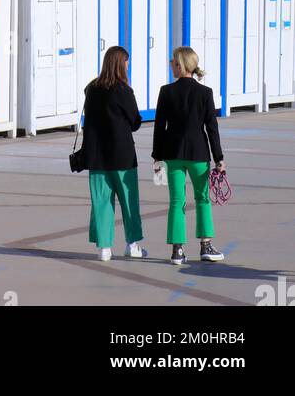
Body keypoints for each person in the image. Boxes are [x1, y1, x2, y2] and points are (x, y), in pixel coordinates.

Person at [152, 46, 226, 265]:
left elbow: (159, 126)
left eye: (173, 62)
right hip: (198, 154)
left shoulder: (166, 91)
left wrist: (157, 155)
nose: (171, 65)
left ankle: (178, 250)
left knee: (177, 201)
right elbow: (212, 128)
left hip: (172, 153)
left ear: (180, 65)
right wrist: (219, 158)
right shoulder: (205, 93)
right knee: (202, 199)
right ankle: (206, 246)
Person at [82, 45, 146, 262]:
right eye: (126, 61)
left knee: (101, 202)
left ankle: (104, 248)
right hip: (122, 155)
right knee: (129, 201)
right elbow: (135, 121)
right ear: (121, 64)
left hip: (96, 155)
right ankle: (132, 244)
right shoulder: (124, 91)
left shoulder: (91, 89)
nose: (128, 65)